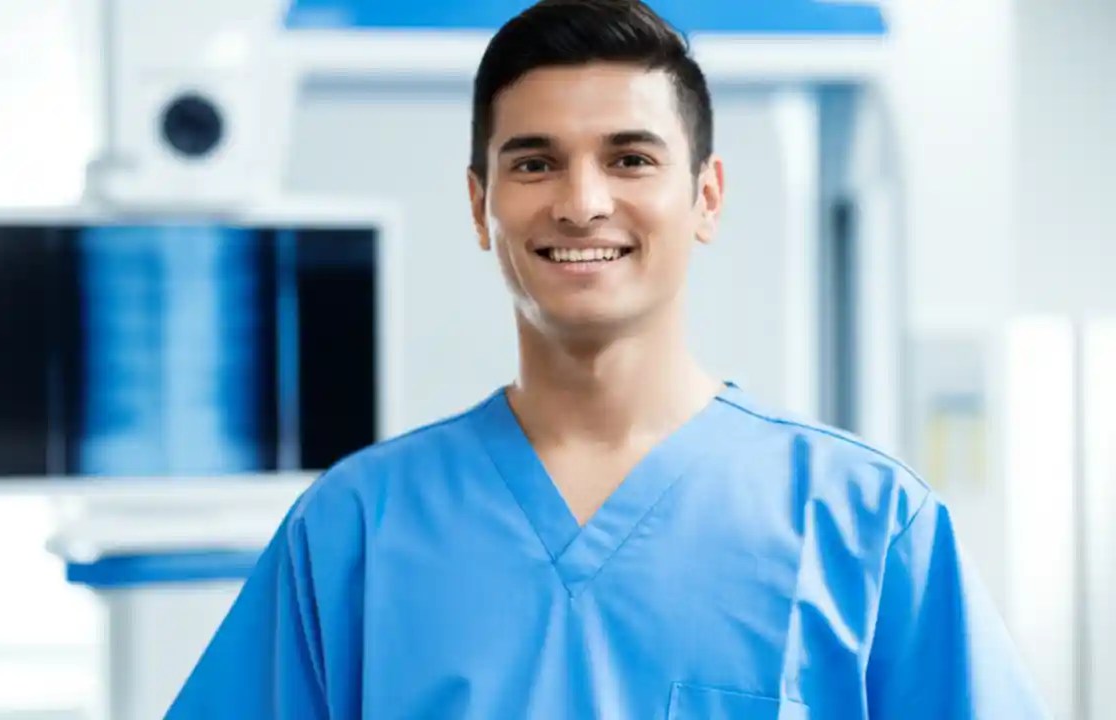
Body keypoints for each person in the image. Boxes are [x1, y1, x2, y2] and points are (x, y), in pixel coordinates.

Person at [167, 1, 1047, 717]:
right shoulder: (355, 530)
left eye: (630, 158)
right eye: (536, 163)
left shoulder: (863, 524)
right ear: (481, 206)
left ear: (705, 196)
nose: (582, 203)